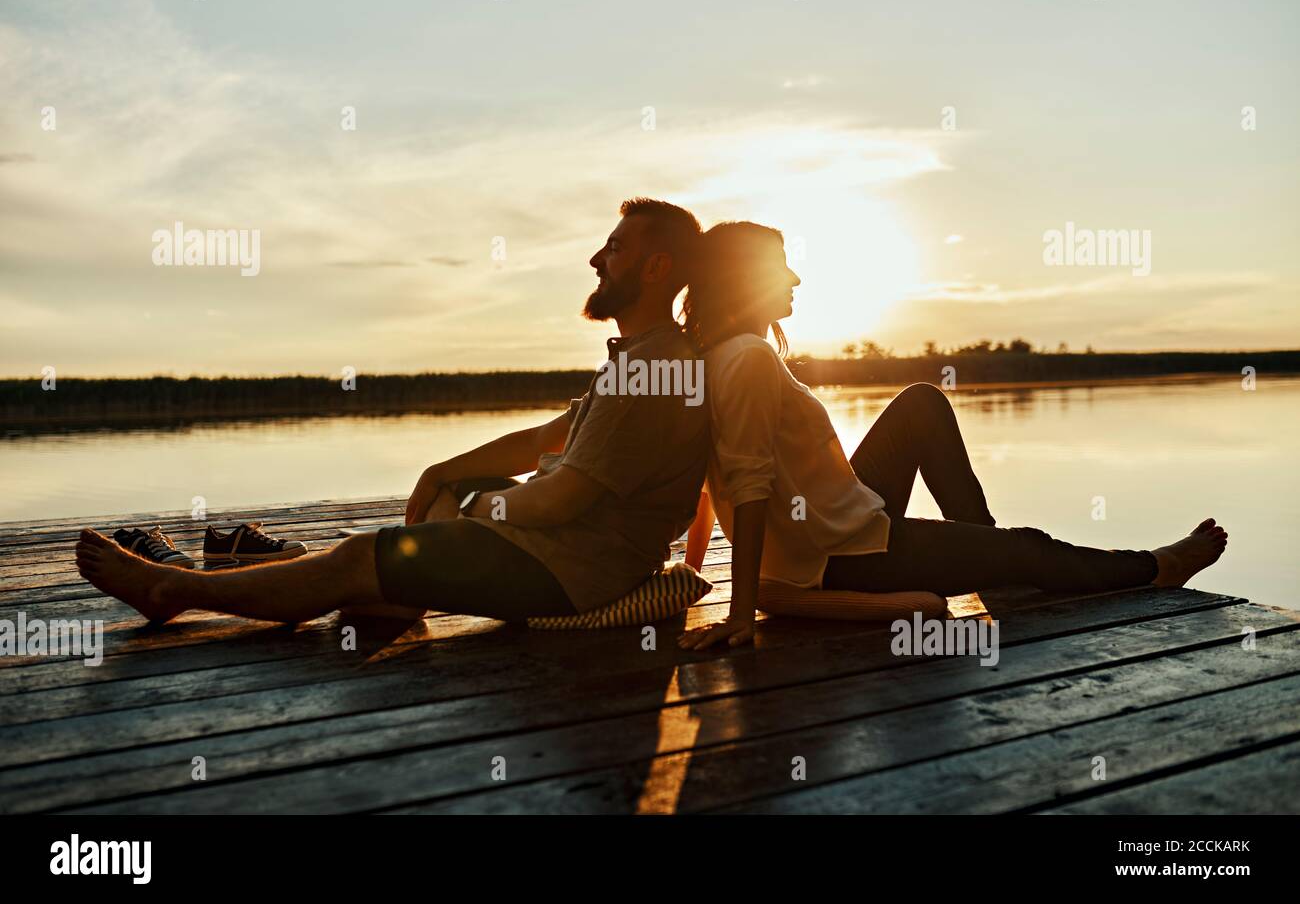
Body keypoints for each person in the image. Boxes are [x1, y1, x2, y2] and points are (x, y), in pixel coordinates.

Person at [77, 198, 711, 626]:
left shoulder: (651, 371)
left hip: (573, 569)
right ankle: (387, 590)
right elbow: (550, 435)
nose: (597, 260)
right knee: (449, 493)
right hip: (559, 543)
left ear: (657, 268)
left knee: (359, 554)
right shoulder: (643, 357)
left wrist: (476, 510)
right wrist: (442, 471)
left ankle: (171, 590)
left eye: (615, 249)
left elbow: (560, 502)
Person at [678, 220, 1228, 651]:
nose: (794, 279)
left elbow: (710, 481)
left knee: (921, 402)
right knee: (1030, 548)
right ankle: (1156, 567)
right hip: (839, 553)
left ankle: (979, 545)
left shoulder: (718, 357)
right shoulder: (748, 357)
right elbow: (745, 483)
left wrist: (694, 574)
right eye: (779, 268)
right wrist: (740, 613)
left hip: (836, 520)